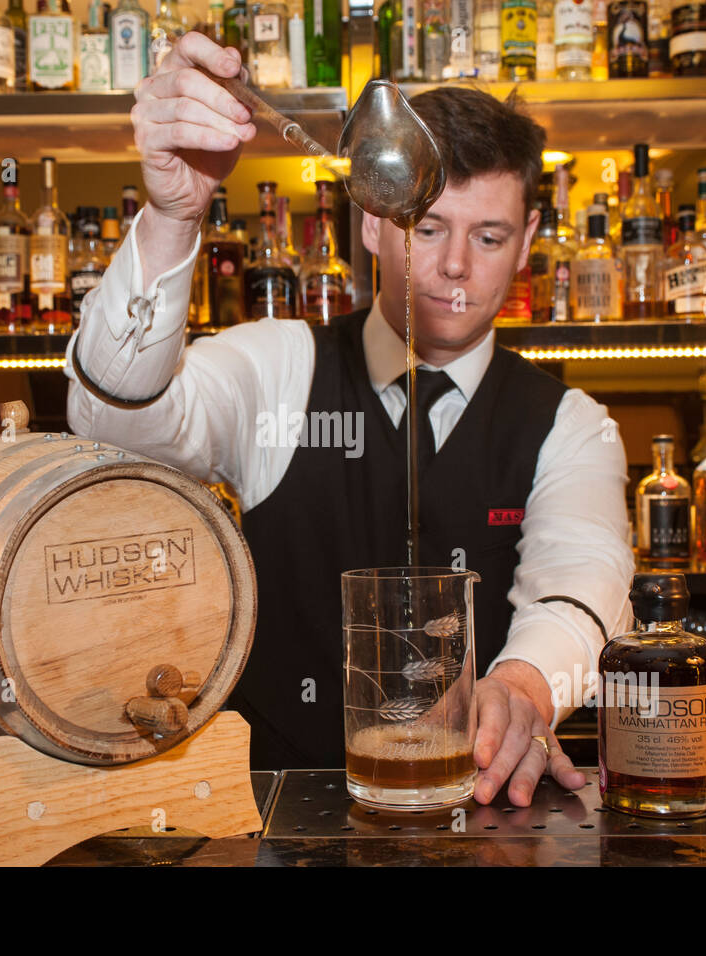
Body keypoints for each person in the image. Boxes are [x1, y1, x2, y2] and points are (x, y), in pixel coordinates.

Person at [64, 33, 634, 806]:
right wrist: (173, 218)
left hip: (486, 811)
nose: (457, 265)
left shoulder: (568, 423)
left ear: (528, 242)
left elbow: (579, 583)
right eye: (426, 228)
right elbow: (115, 434)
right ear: (372, 220)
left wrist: (524, 687)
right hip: (271, 813)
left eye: (490, 236)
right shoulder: (277, 367)